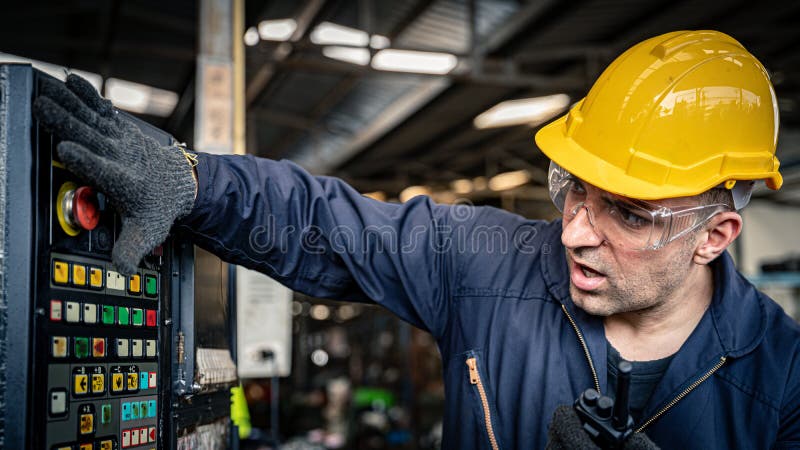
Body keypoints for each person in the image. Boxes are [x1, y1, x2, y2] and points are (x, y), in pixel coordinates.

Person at [34, 29, 800, 449]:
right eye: (572, 192)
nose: (573, 232)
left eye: (626, 214)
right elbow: (330, 226)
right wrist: (198, 183)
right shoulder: (489, 264)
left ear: (715, 235)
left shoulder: (783, 387)